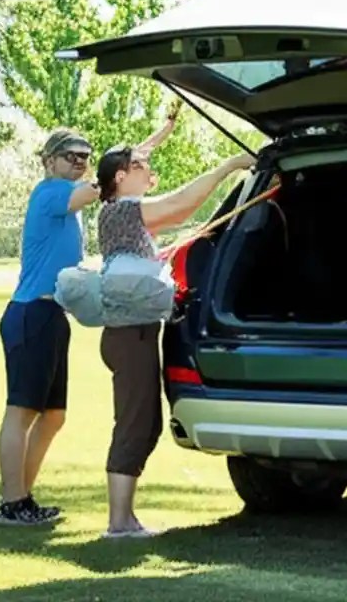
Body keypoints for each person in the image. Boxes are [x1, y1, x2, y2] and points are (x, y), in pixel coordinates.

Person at [94, 108, 255, 538]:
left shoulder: (120, 211)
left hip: (136, 332)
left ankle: (126, 518)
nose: (150, 170)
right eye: (141, 166)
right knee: (133, 422)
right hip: (130, 335)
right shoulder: (121, 211)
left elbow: (142, 161)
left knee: (145, 422)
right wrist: (228, 167)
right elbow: (182, 204)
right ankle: (117, 523)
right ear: (121, 176)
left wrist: (164, 130)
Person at [0, 129, 100, 525]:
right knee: (21, 412)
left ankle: (21, 497)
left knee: (53, 415)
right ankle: (12, 503)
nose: (79, 161)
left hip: (53, 315)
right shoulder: (51, 192)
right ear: (50, 160)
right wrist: (120, 171)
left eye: (85, 156)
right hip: (31, 315)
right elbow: (94, 191)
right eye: (71, 155)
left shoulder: (67, 198)